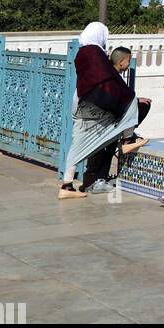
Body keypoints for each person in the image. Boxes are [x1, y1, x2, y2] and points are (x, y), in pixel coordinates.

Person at [58, 23, 142, 200]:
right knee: (131, 100)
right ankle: (127, 140)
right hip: (93, 101)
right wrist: (123, 95)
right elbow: (106, 80)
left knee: (77, 143)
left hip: (80, 99)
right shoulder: (95, 53)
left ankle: (66, 185)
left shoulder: (81, 52)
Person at [80, 46, 150, 194]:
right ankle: (126, 140)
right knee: (107, 148)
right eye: (129, 61)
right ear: (121, 61)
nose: (129, 64)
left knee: (106, 148)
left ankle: (97, 180)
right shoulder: (112, 77)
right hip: (106, 121)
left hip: (103, 119)